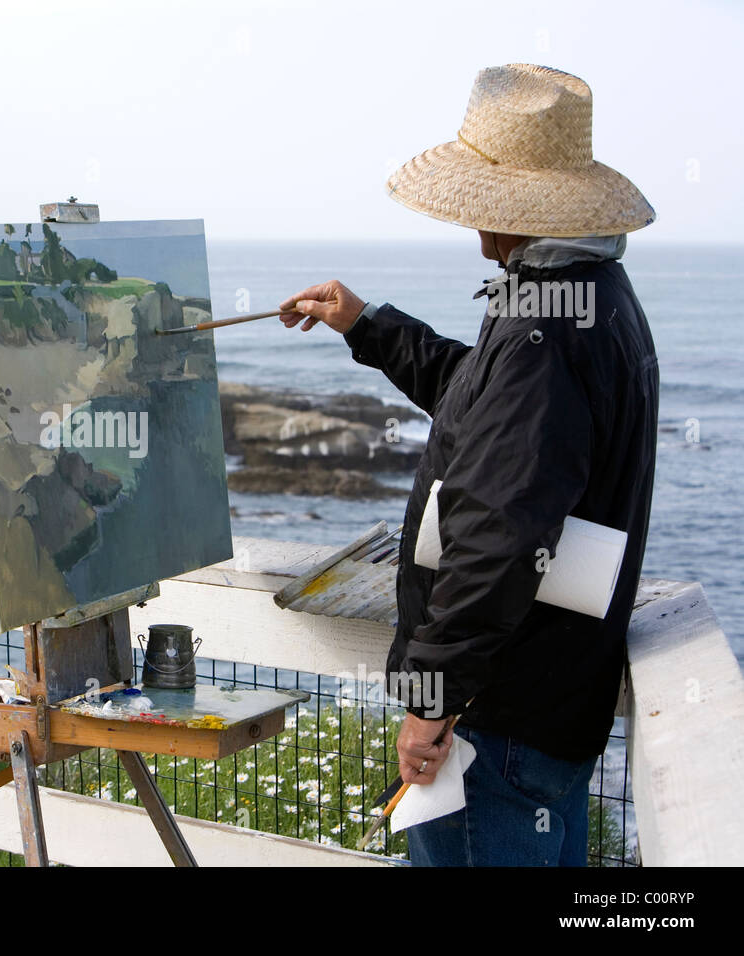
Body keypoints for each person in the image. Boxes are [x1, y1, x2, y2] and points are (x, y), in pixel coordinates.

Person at [279, 64, 658, 867]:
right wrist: (369, 325)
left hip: (496, 726)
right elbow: (483, 406)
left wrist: (430, 699)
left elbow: (498, 537)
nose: (480, 236)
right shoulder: (589, 293)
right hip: (548, 710)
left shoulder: (542, 333)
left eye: (490, 215)